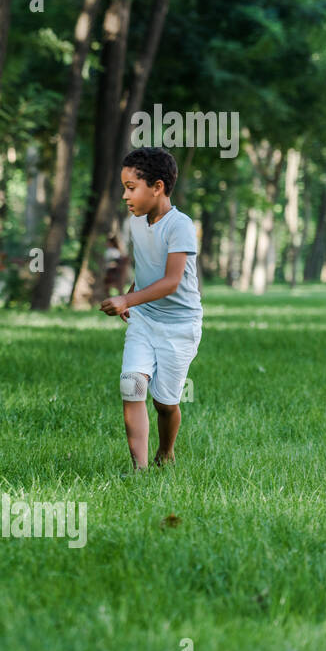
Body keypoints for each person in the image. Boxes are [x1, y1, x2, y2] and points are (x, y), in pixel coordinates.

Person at [100, 148, 202, 471]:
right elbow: (147, 268)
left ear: (157, 187)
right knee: (132, 384)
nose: (124, 195)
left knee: (165, 403)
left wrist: (127, 300)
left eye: (131, 187)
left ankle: (166, 451)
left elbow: (172, 281)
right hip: (146, 319)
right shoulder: (135, 223)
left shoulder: (180, 225)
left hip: (179, 325)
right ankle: (139, 470)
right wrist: (133, 293)